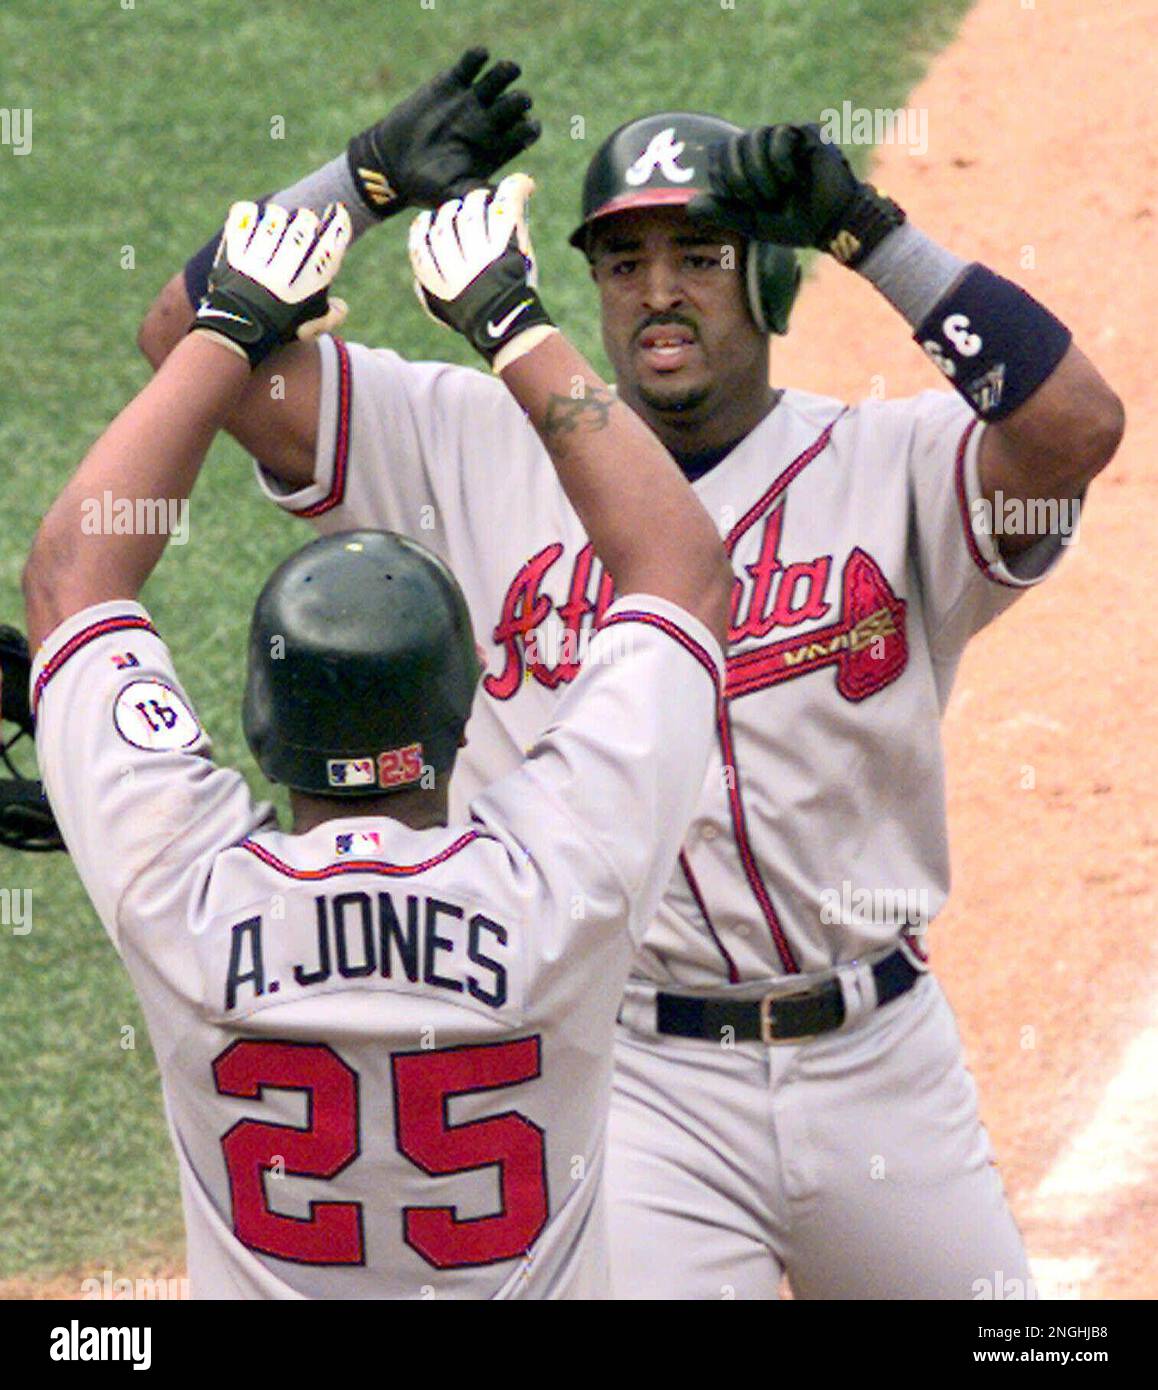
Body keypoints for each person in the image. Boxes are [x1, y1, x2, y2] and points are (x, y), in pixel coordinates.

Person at [137, 71, 1124, 1297]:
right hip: (631, 1073)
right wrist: (361, 182)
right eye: (621, 260)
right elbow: (192, 341)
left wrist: (874, 235)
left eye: (700, 254)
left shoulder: (898, 462)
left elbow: (1077, 426)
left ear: (765, 277)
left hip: (883, 1061)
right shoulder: (460, 437)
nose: (658, 292)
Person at [24, 178, 731, 1299]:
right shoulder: (560, 885)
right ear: (463, 713)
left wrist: (224, 328)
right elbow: (681, 569)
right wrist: (513, 321)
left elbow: (74, 576)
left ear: (256, 721)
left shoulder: (183, 893)